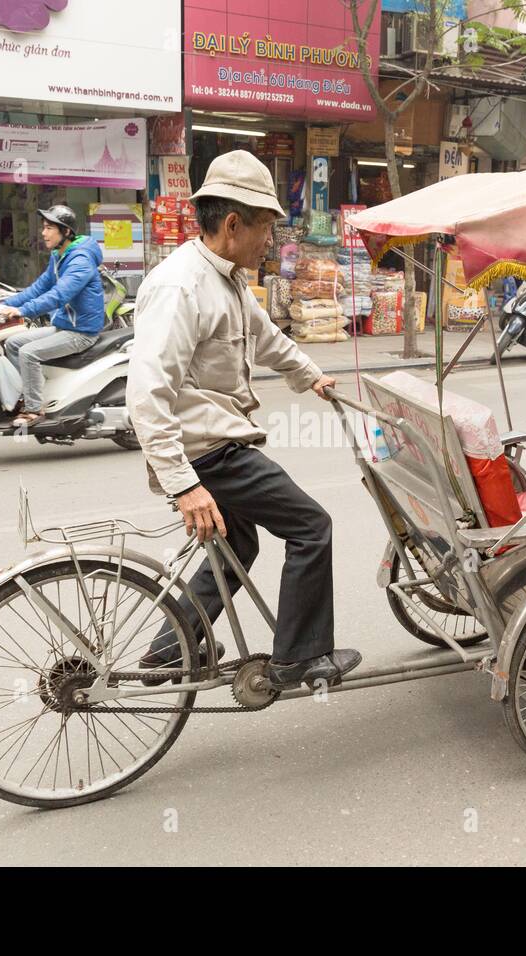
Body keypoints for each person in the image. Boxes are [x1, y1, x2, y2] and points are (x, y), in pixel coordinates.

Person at [126, 150, 361, 692]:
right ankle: (299, 659)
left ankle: (170, 647)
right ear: (233, 224)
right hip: (208, 452)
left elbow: (266, 337)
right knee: (311, 526)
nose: (270, 244)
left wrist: (312, 377)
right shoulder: (180, 286)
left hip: (213, 444)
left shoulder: (225, 277)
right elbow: (146, 394)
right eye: (266, 230)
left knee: (240, 542)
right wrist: (185, 485)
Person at [0, 205, 106, 427]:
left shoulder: (80, 260)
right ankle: (32, 392)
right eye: (43, 228)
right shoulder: (59, 255)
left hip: (81, 332)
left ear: (65, 232)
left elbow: (58, 295)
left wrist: (22, 311)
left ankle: (34, 410)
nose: (43, 233)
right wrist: (2, 304)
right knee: (13, 343)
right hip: (64, 326)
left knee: (28, 353)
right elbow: (38, 288)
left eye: (49, 228)